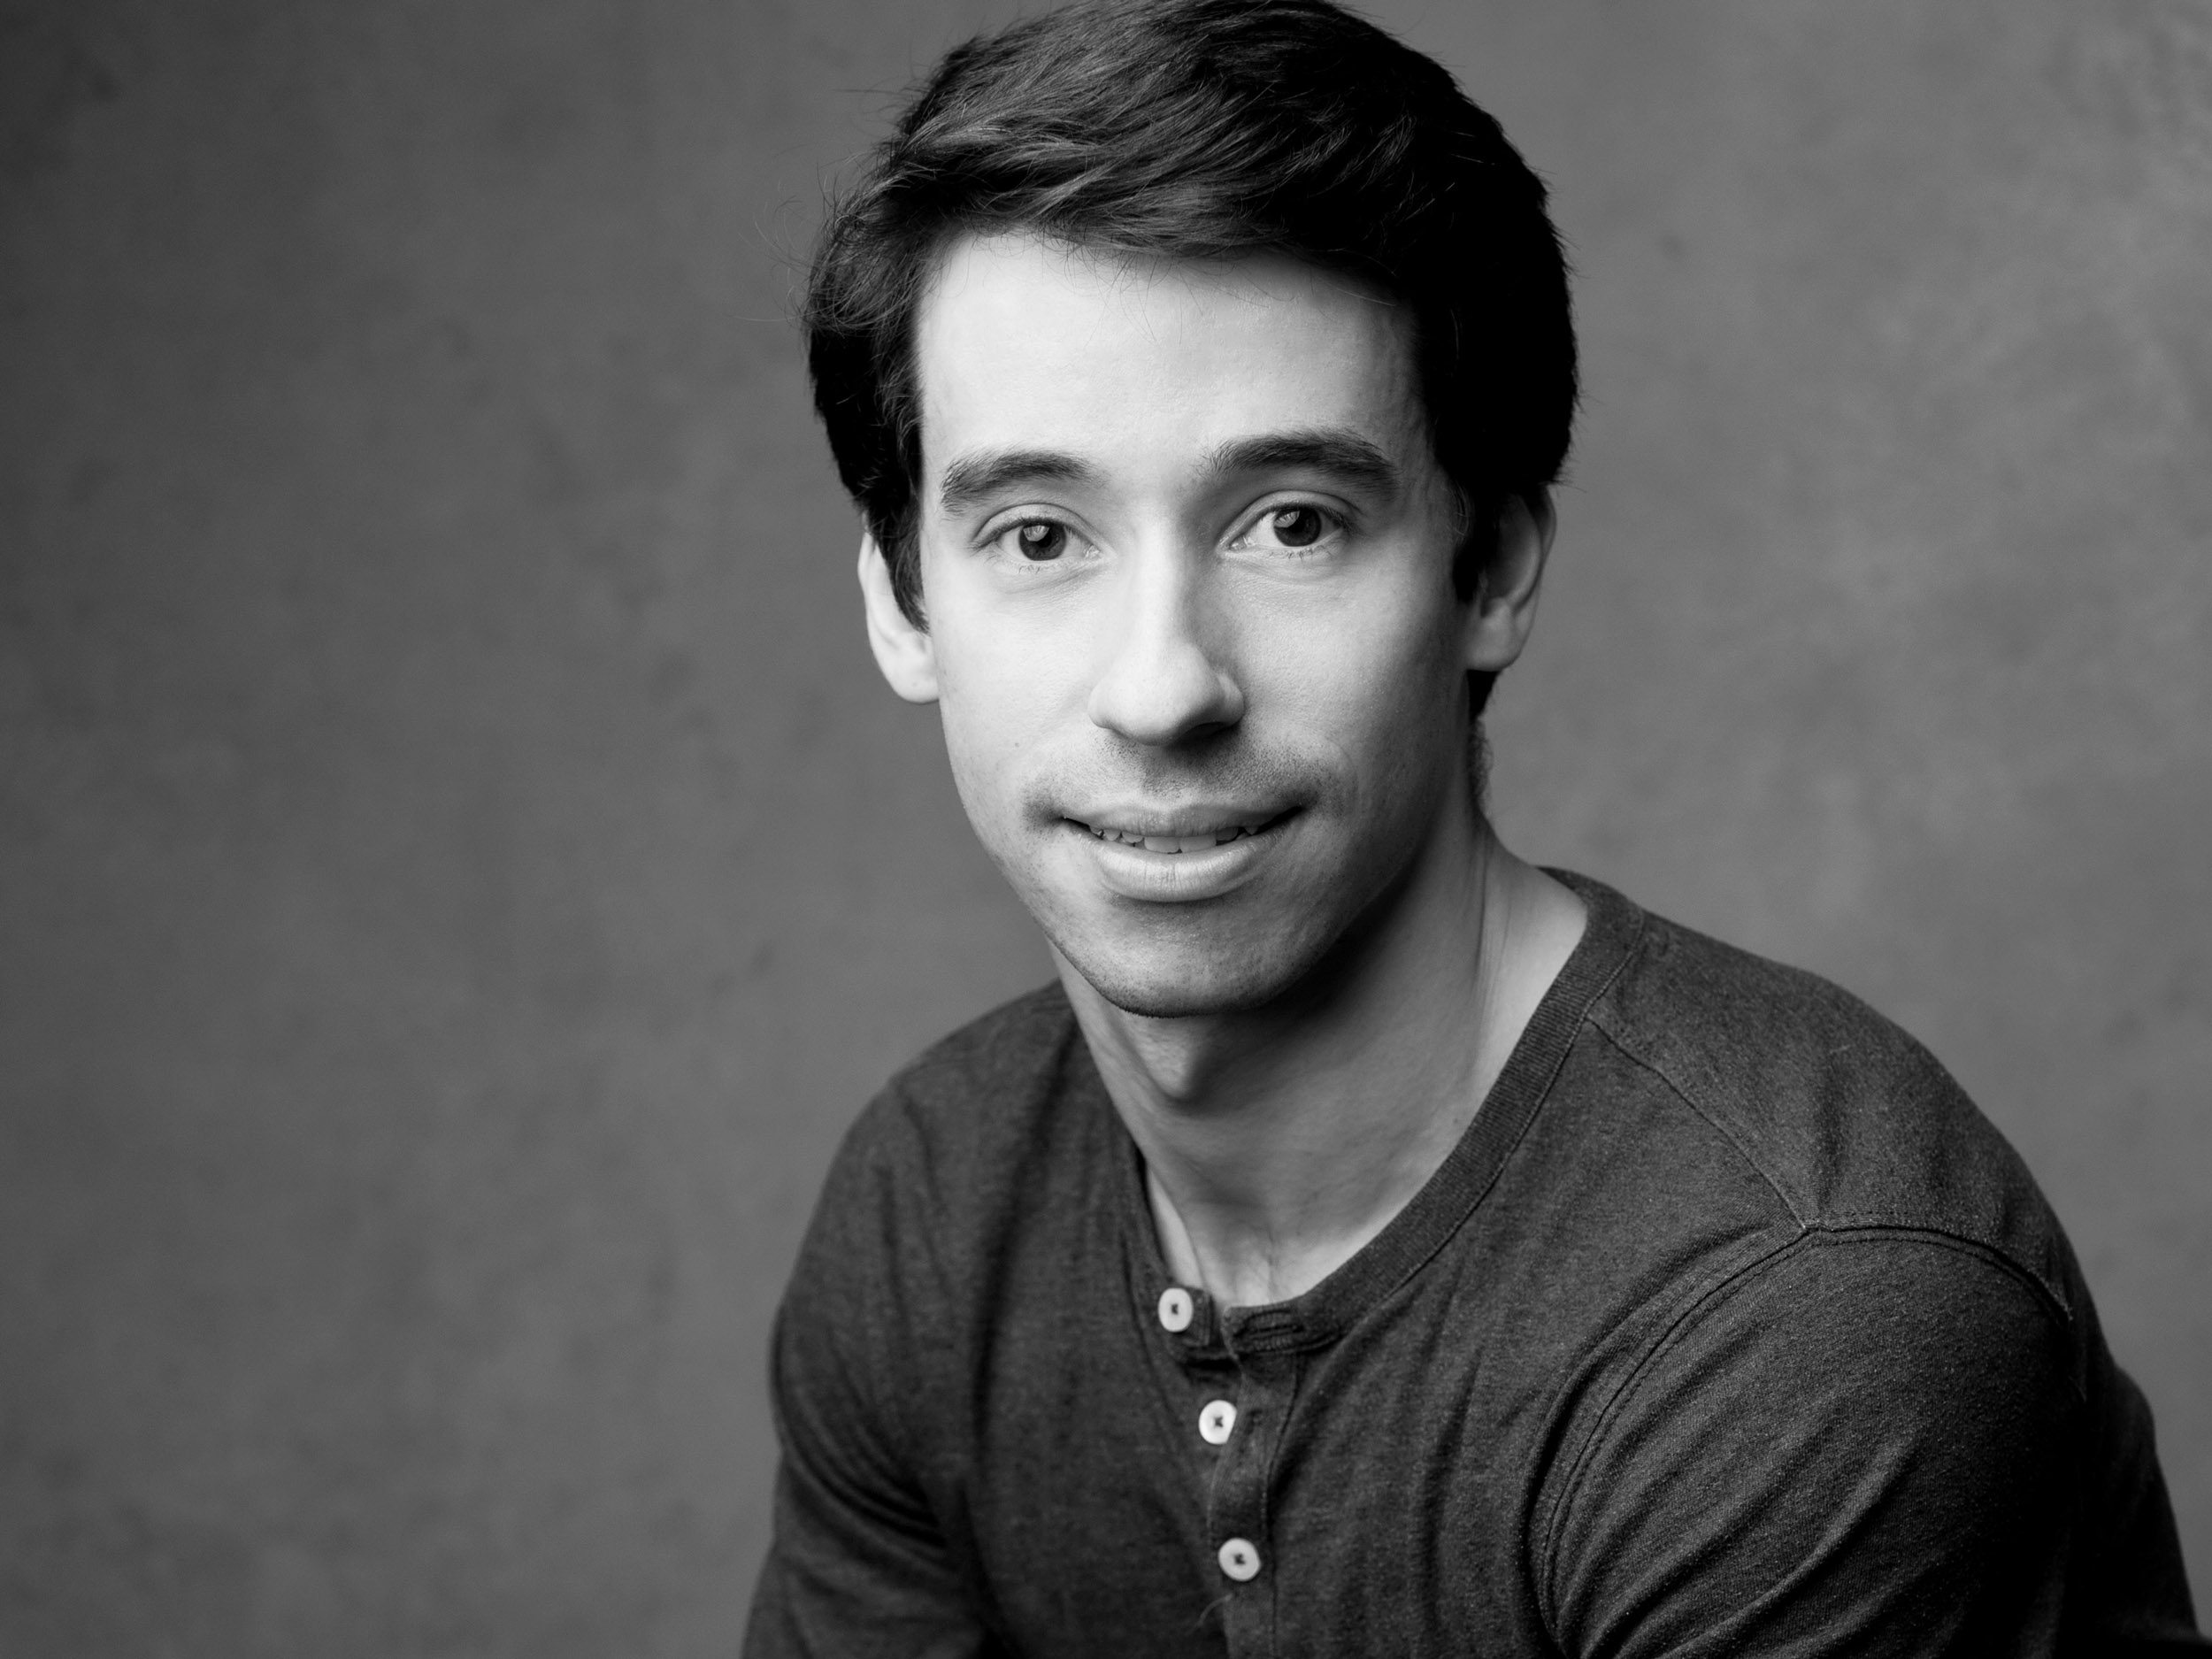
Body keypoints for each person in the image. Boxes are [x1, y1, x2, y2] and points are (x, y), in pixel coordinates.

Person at [747, 2, 2204, 1653]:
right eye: (1036, 534)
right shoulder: (934, 1213)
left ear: (1492, 566)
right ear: (903, 603)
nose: (1161, 688)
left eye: (1293, 524)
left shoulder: (1802, 1304)